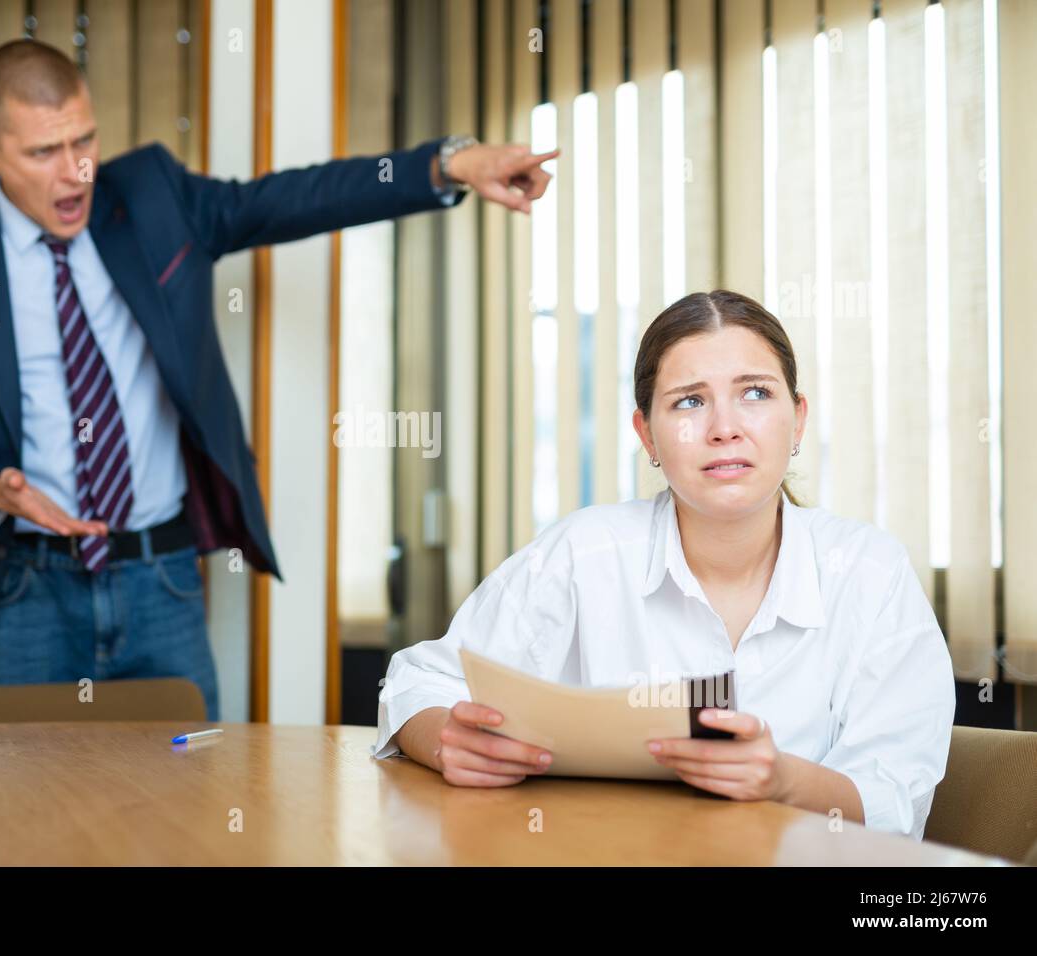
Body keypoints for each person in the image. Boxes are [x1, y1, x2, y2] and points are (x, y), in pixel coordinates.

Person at [0, 39, 558, 718]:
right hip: (23, 587)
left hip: (159, 579)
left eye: (84, 140)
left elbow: (288, 198)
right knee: (13, 819)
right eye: (43, 153)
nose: (75, 172)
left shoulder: (150, 196)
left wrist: (450, 163)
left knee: (188, 806)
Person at [373, 290, 956, 839]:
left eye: (755, 393)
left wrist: (782, 781)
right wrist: (449, 741)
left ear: (797, 420)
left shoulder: (870, 573)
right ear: (646, 434)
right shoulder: (584, 553)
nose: (725, 428)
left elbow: (895, 800)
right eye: (690, 402)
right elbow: (418, 681)